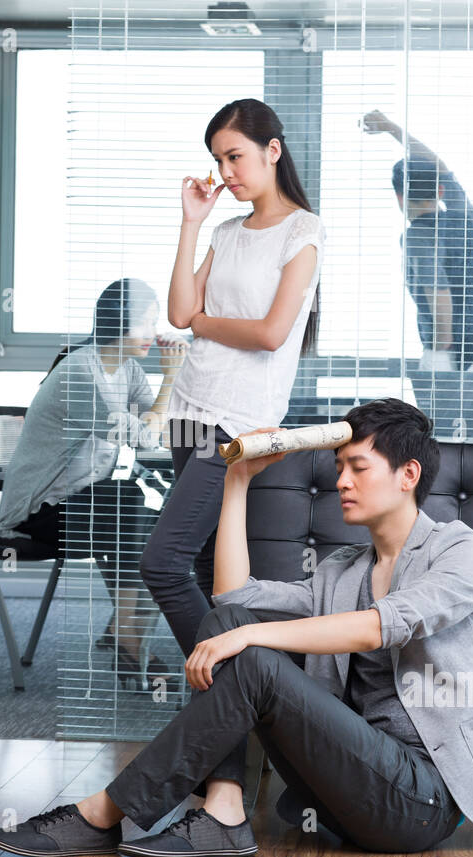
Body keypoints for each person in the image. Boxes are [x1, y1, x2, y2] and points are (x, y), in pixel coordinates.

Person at [0, 399, 473, 857]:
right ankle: (223, 810)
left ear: (407, 475)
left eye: (358, 467)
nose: (340, 481)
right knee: (230, 621)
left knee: (249, 646)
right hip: (349, 782)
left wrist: (252, 638)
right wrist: (236, 483)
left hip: (422, 799)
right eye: (338, 466)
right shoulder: (344, 568)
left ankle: (107, 812)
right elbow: (233, 598)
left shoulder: (461, 552)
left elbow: (379, 627)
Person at [139, 98, 325, 659]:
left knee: (163, 563)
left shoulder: (303, 233)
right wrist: (191, 223)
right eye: (219, 160)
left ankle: (235, 683)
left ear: (273, 151)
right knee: (199, 563)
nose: (225, 173)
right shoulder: (224, 231)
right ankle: (221, 721)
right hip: (190, 410)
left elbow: (271, 333)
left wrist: (205, 324)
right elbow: (177, 313)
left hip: (234, 423)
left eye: (235, 157)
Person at [0, 279, 186, 690]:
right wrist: (171, 377)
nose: (155, 332)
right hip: (37, 513)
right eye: (148, 322)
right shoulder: (80, 371)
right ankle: (130, 637)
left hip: (84, 506)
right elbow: (147, 437)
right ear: (120, 321)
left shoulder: (127, 368)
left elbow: (156, 426)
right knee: (131, 501)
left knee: (158, 513)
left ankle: (125, 630)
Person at [363, 108, 473, 439]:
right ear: (441, 190)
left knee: (440, 445)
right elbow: (441, 167)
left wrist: (440, 350)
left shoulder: (419, 234)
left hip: (447, 355)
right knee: (471, 440)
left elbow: (439, 292)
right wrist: (392, 129)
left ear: (399, 196)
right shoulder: (467, 218)